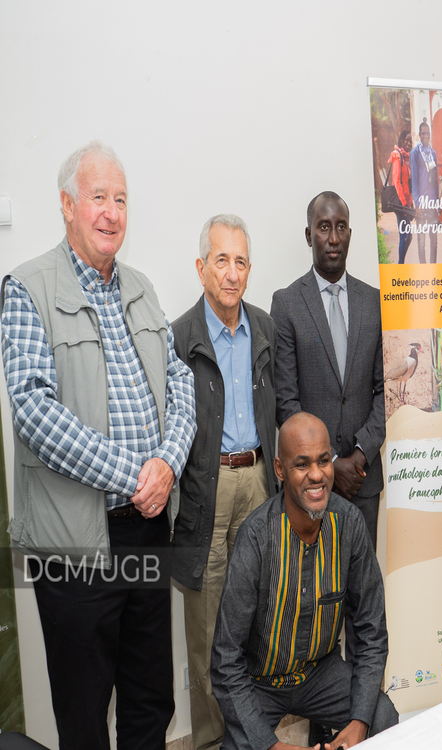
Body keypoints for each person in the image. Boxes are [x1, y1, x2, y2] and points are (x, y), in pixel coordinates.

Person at [0, 141, 196, 748]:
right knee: (85, 713)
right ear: (67, 205)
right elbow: (33, 409)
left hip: (146, 530)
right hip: (76, 544)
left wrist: (166, 461)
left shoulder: (139, 287)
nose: (111, 213)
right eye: (98, 199)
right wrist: (132, 473)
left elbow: (180, 381)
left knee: (149, 699)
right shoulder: (27, 288)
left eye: (120, 199)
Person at [211, 412, 398, 750]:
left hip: (320, 675)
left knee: (382, 718)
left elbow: (371, 632)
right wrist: (273, 746)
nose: (317, 475)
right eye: (302, 464)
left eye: (324, 461)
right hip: (260, 682)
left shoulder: (350, 526)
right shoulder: (255, 538)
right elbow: (225, 659)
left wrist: (358, 724)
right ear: (281, 470)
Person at [172, 214, 279, 750]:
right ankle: (214, 740)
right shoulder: (179, 338)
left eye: (240, 262)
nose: (232, 273)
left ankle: (256, 734)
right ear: (201, 268)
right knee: (208, 629)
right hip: (207, 490)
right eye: (221, 260)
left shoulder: (264, 329)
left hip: (260, 480)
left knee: (259, 613)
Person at [270, 191, 385, 544]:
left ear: (349, 233)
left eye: (340, 227)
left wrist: (359, 455)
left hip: (362, 481)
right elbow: (285, 401)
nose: (333, 238)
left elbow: (388, 393)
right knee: (310, 587)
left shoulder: (375, 303)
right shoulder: (287, 304)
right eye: (323, 227)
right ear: (309, 236)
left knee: (360, 588)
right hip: (309, 483)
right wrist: (330, 463)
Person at [409, 120, 439, 264]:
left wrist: (438, 201)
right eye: (424, 133)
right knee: (421, 242)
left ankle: (433, 269)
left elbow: (435, 181)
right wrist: (417, 204)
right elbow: (414, 180)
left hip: (432, 202)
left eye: (428, 133)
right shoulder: (415, 153)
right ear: (420, 135)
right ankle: (423, 271)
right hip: (421, 204)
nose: (426, 135)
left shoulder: (433, 153)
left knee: (434, 241)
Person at [387, 130, 414, 263]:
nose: (409, 143)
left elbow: (408, 184)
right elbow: (397, 182)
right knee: (405, 235)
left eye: (410, 141)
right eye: (406, 140)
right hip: (400, 203)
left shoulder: (405, 158)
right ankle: (400, 265)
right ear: (401, 141)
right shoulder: (397, 156)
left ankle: (401, 263)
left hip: (406, 203)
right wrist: (404, 204)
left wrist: (411, 203)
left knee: (408, 236)